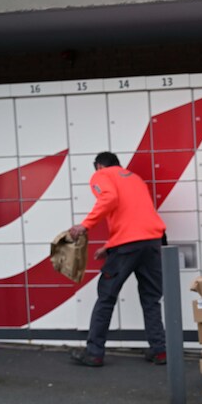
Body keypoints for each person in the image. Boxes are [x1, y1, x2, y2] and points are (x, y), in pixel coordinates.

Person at [67, 152, 167, 367]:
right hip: (151, 242)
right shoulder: (134, 178)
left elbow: (109, 198)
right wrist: (110, 246)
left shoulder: (102, 175)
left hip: (128, 246)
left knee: (106, 297)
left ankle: (94, 353)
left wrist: (85, 226)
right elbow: (134, 216)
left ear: (99, 165)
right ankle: (159, 351)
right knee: (151, 299)